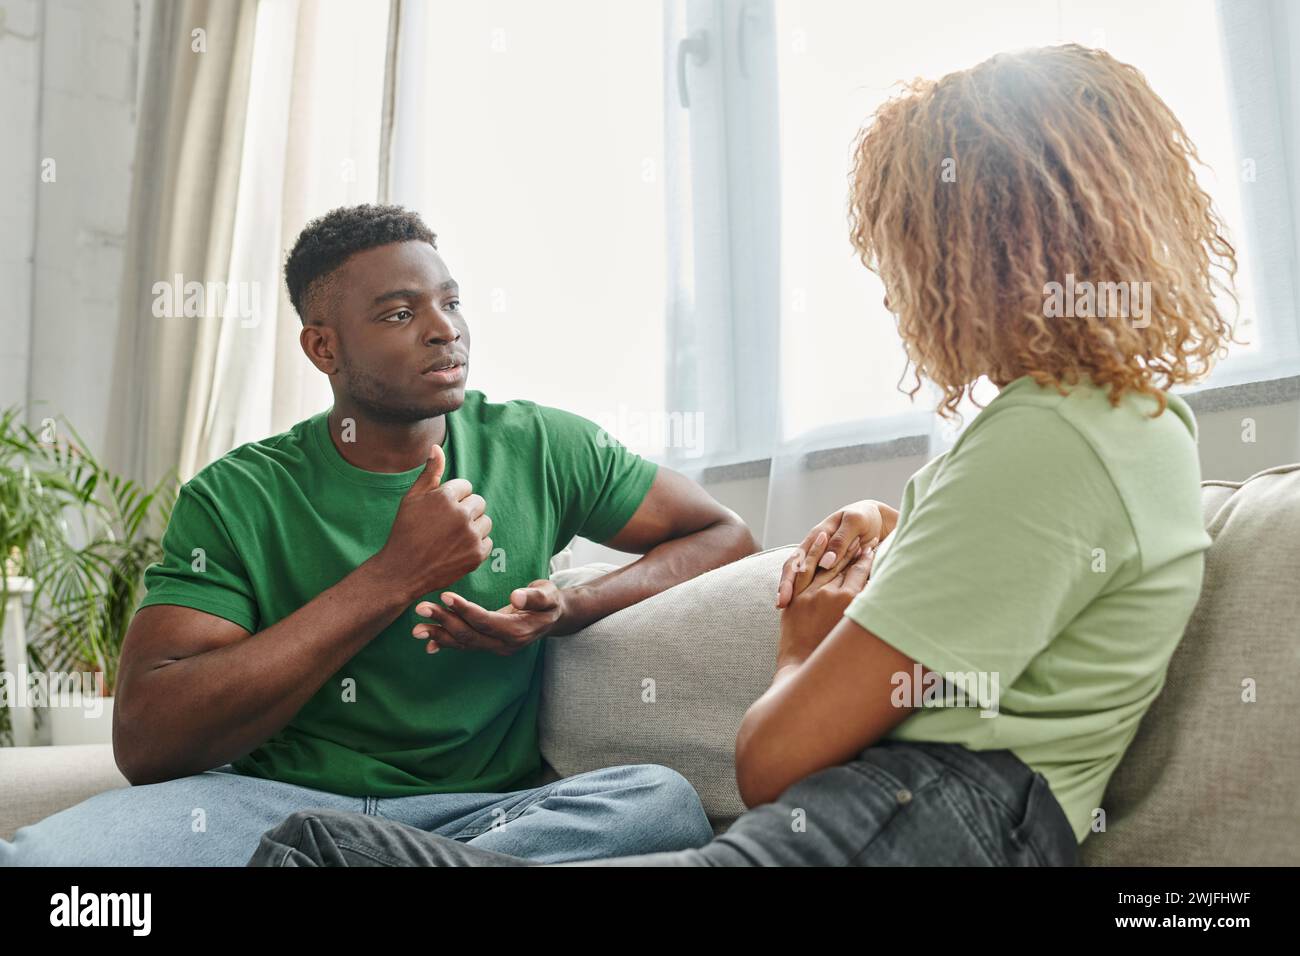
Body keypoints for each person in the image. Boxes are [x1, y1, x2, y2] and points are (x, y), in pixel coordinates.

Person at [246, 44, 1235, 867]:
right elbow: (1029, 576)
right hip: (913, 818)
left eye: (905, 246)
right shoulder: (1123, 427)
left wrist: (802, 635)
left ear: (986, 244)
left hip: (915, 815)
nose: (896, 289)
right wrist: (893, 527)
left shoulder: (1045, 438)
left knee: (319, 852)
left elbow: (770, 760)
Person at [0, 204, 758, 867]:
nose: (445, 331)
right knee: (47, 864)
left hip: (474, 819)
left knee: (657, 803)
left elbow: (725, 534)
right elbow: (146, 740)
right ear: (324, 349)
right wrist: (393, 575)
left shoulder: (540, 446)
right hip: (271, 808)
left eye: (451, 303)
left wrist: (573, 610)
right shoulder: (239, 496)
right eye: (400, 314)